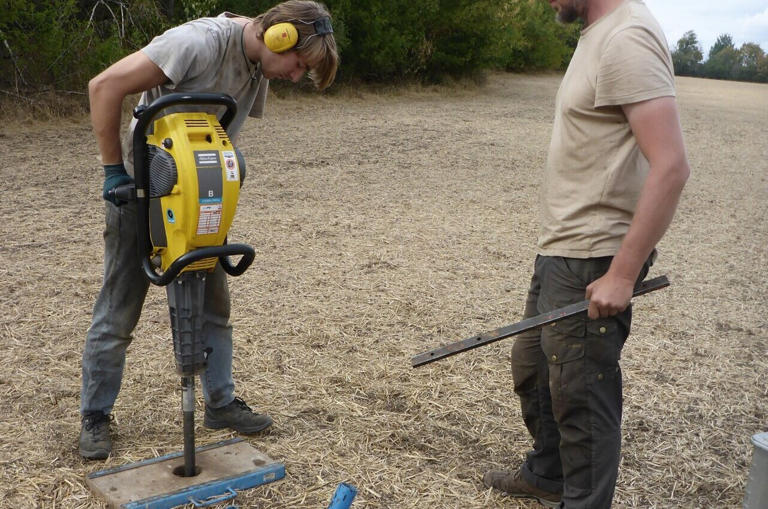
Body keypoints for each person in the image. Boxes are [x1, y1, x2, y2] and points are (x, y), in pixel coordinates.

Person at [79, 0, 339, 460]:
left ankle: (220, 403)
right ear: (279, 36)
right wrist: (113, 172)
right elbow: (103, 86)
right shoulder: (196, 43)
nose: (295, 76)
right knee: (119, 312)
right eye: (298, 65)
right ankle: (95, 416)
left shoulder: (257, 65)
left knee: (213, 304)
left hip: (201, 197)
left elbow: (221, 137)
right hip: (144, 193)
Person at [482, 0, 690, 507]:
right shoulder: (598, 33)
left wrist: (623, 273)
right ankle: (548, 475)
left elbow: (671, 165)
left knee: (580, 396)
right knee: (532, 368)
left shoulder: (628, 38)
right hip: (561, 247)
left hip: (594, 256)